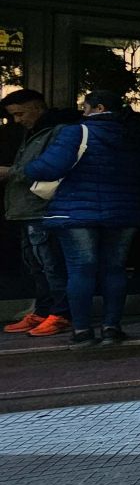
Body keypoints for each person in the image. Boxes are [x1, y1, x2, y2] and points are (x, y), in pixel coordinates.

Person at [25, 90, 140, 348]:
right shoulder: (135, 135)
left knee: (81, 270)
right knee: (115, 269)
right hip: (124, 212)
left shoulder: (76, 132)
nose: (82, 112)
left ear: (98, 107)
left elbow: (48, 168)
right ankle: (112, 328)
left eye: (85, 107)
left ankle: (82, 330)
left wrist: (27, 167)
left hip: (77, 212)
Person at [0, 89, 80, 336]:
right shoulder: (36, 132)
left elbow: (47, 168)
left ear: (37, 107)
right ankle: (45, 311)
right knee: (37, 266)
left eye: (20, 113)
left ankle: (60, 314)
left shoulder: (57, 132)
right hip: (27, 208)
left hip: (41, 208)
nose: (17, 120)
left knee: (50, 265)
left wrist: (11, 172)